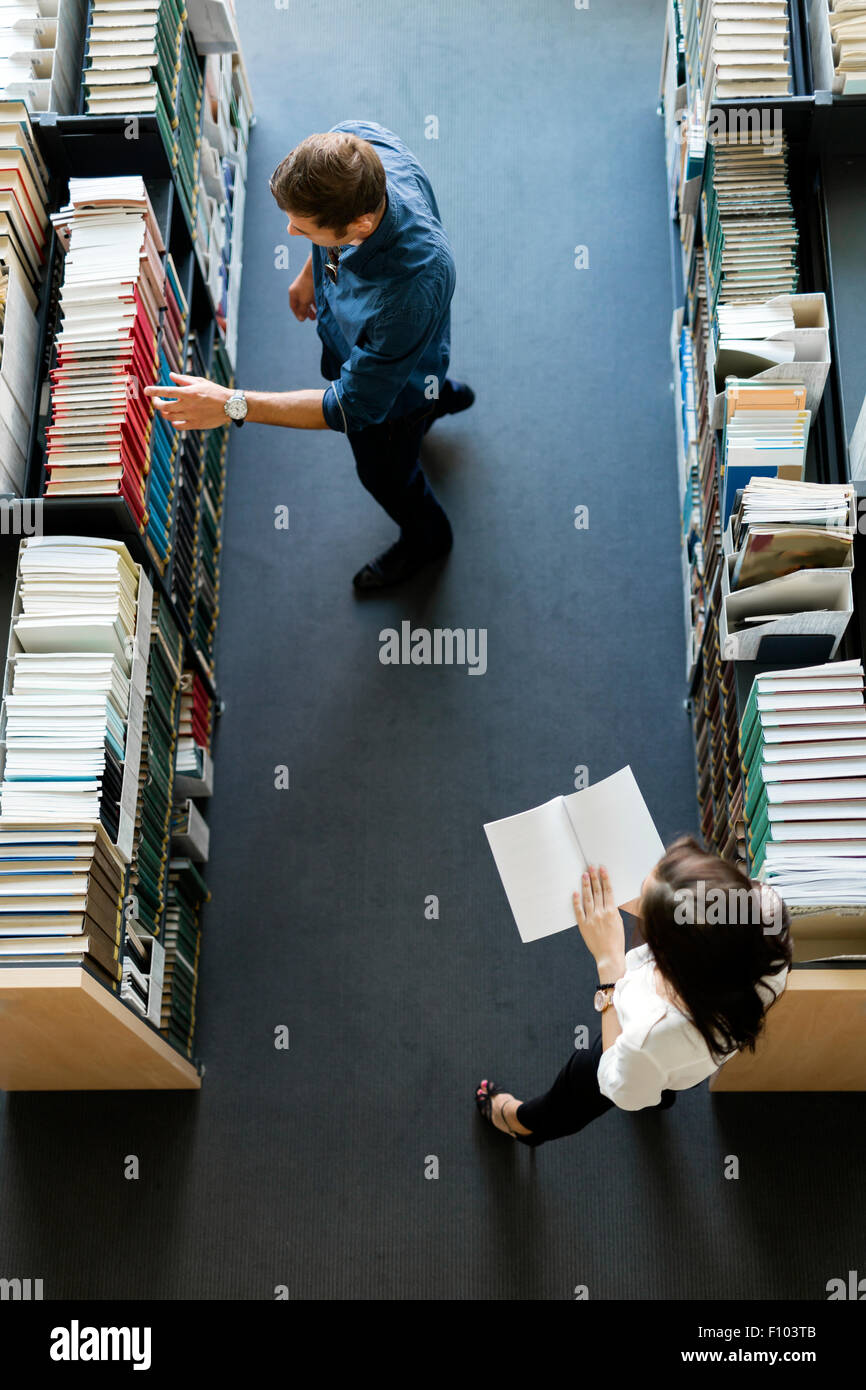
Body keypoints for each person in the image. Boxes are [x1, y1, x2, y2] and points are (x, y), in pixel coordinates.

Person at [144, 121, 474, 592]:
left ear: (360, 225)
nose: (290, 230)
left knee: (386, 475)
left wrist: (232, 405)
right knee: (416, 379)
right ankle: (440, 398)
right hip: (375, 346)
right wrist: (310, 272)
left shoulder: (412, 287)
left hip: (392, 391)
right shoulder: (358, 143)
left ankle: (429, 538)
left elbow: (351, 406)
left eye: (303, 228)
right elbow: (335, 234)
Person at [476, 836, 793, 1147]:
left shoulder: (647, 1036)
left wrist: (608, 964)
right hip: (696, 1057)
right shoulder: (766, 916)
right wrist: (660, 900)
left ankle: (524, 1126)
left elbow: (620, 1089)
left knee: (583, 1080)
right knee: (664, 1080)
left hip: (633, 1057)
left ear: (674, 959)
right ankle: (658, 1096)